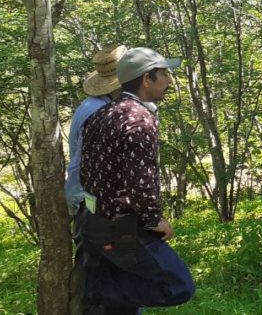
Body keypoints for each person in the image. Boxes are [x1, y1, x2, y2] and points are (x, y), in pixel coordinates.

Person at [78, 47, 195, 314]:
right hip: (122, 230)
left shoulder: (99, 115)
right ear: (146, 79)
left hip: (93, 222)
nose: (169, 80)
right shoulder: (140, 119)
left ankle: (106, 292)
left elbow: (86, 173)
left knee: (124, 309)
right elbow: (140, 182)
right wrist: (154, 221)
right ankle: (98, 290)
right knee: (178, 286)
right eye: (164, 74)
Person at [66, 45, 125, 219]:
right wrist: (76, 203)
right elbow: (80, 163)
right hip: (91, 203)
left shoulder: (97, 104)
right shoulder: (99, 112)